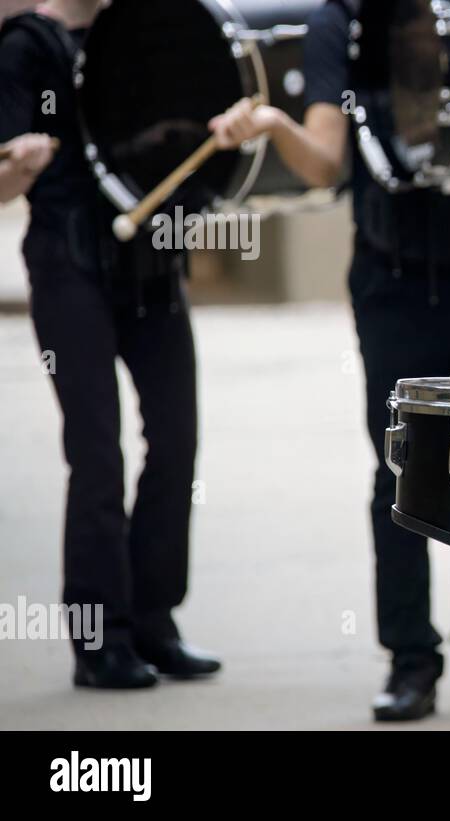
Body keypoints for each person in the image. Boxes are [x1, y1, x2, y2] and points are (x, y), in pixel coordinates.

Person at [207, 0, 450, 722]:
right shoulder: (344, 25)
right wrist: (276, 125)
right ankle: (410, 657)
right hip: (392, 278)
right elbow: (325, 164)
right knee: (403, 467)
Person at [0, 0, 220, 688]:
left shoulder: (150, 32)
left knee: (177, 436)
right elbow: (1, 177)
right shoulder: (27, 47)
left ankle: (154, 618)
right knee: (97, 449)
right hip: (71, 267)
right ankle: (99, 639)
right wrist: (18, 167)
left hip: (151, 264)